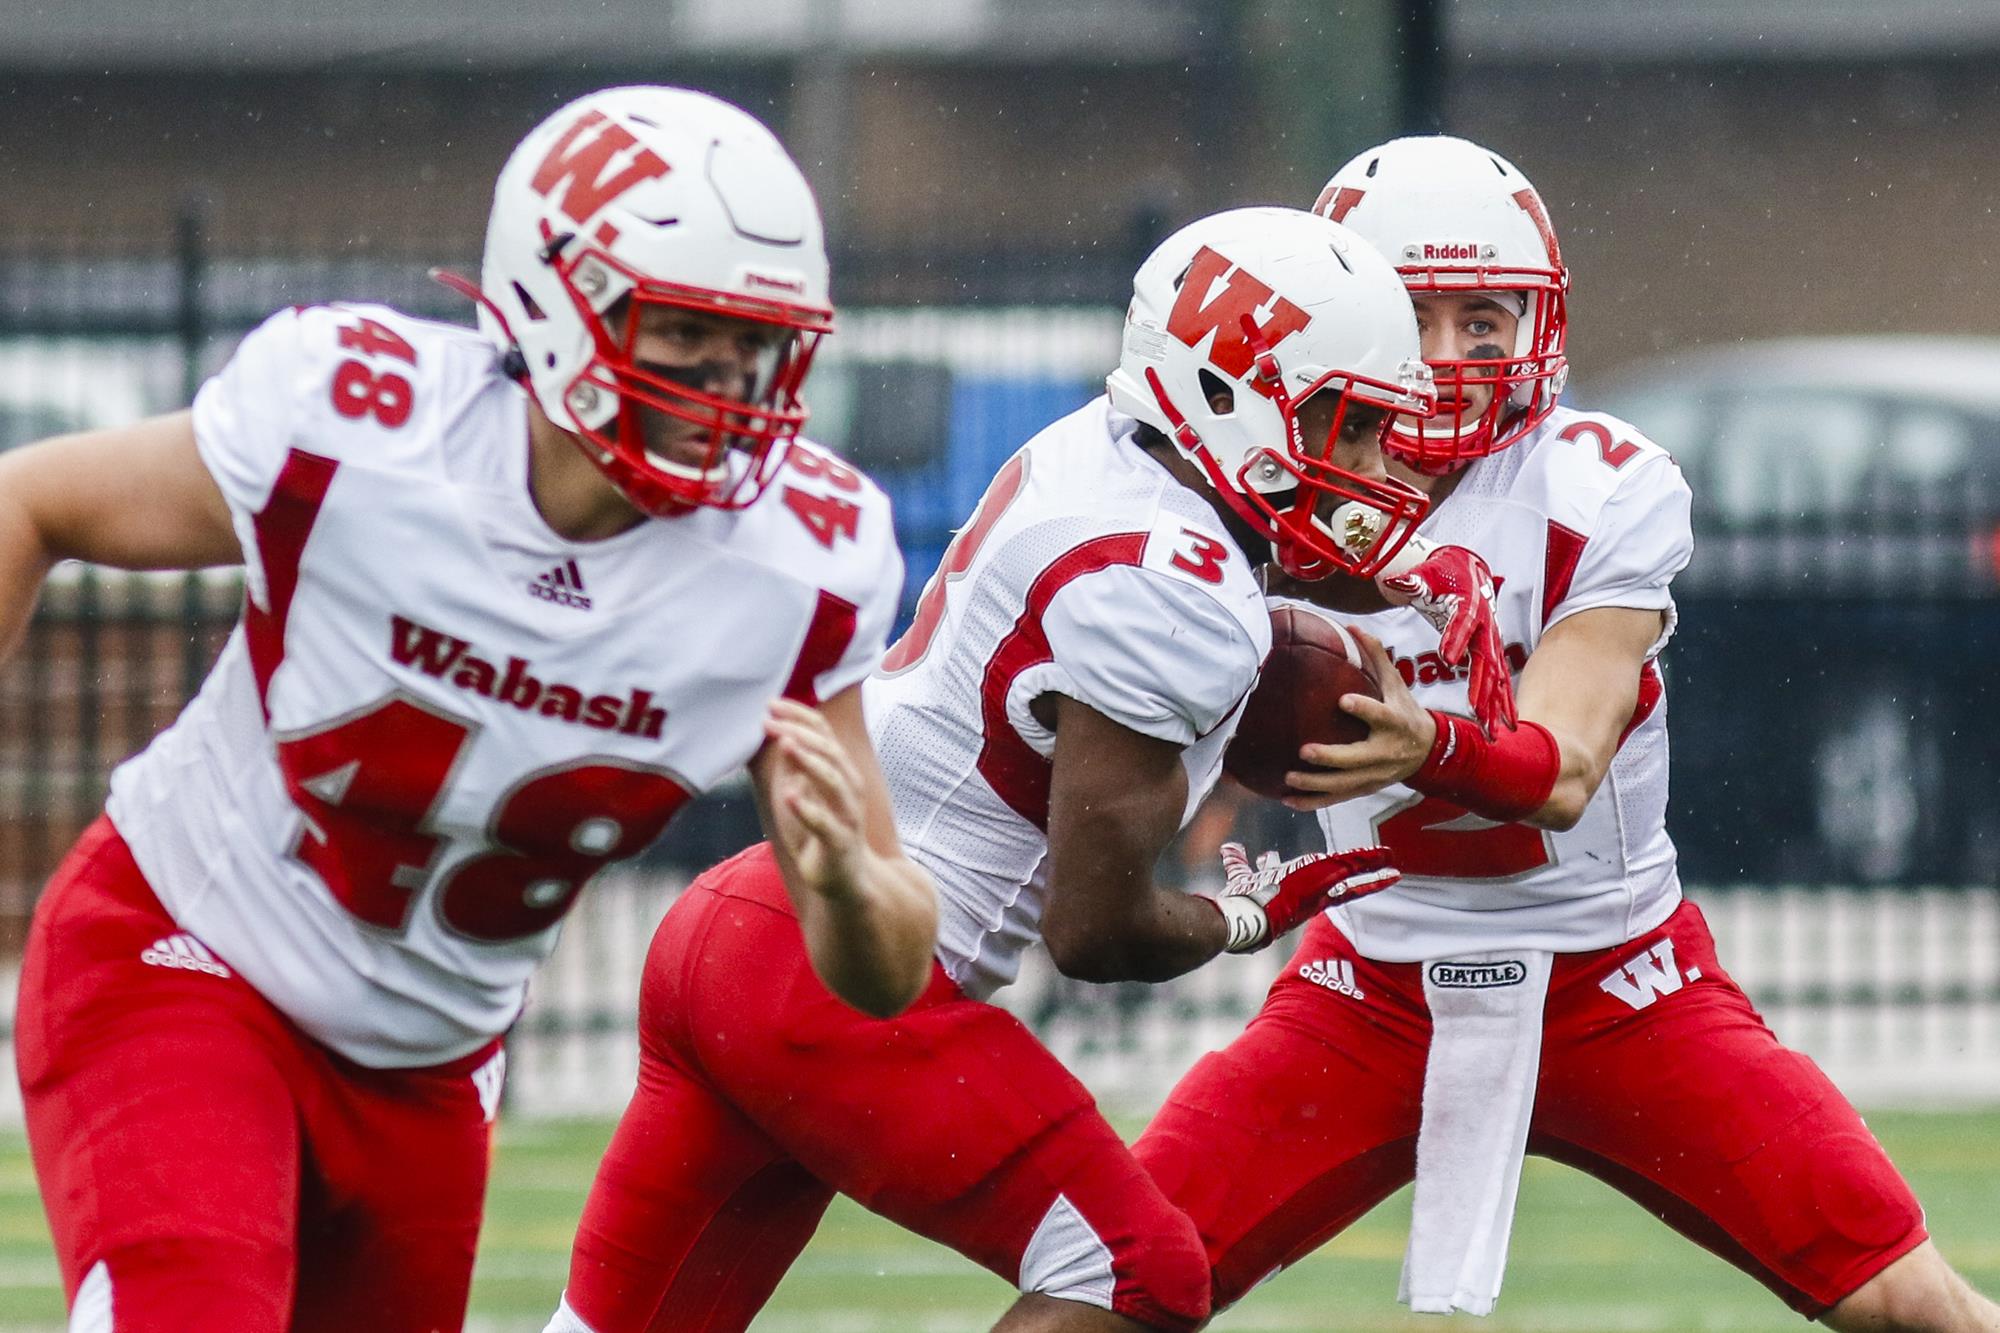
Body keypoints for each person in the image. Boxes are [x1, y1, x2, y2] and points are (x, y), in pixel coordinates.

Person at [2, 85, 938, 1331]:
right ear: (556, 303)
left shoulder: (794, 571)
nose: (727, 386)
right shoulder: (362, 430)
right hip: (185, 953)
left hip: (428, 1064)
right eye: (684, 337)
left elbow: (881, 972)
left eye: (756, 349)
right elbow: (33, 501)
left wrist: (848, 889)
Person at [543, 204, 1532, 1333]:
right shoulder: (1171, 591)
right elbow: (1093, 933)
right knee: (1137, 1269)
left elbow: (1232, 552)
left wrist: (1403, 580)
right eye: (1345, 426)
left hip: (735, 932)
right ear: (1230, 393)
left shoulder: (1103, 449)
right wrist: (1242, 919)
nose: (1365, 465)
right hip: (846, 986)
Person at [1130, 135, 2000, 1332]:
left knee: (1910, 1304)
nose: (1448, 357)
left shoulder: (1602, 484)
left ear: (1537, 328)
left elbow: (1560, 771)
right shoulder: (1261, 473)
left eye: (1483, 321)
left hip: (1620, 979)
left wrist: (1424, 746)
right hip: (1367, 981)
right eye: (1414, 315)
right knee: (1106, 1282)